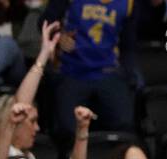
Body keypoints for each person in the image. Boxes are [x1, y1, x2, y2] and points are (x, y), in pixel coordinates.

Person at [45, 0, 137, 136]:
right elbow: (45, 22)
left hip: (108, 71)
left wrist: (127, 72)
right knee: (66, 129)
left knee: (124, 124)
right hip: (72, 70)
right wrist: (58, 37)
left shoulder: (128, 3)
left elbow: (129, 45)